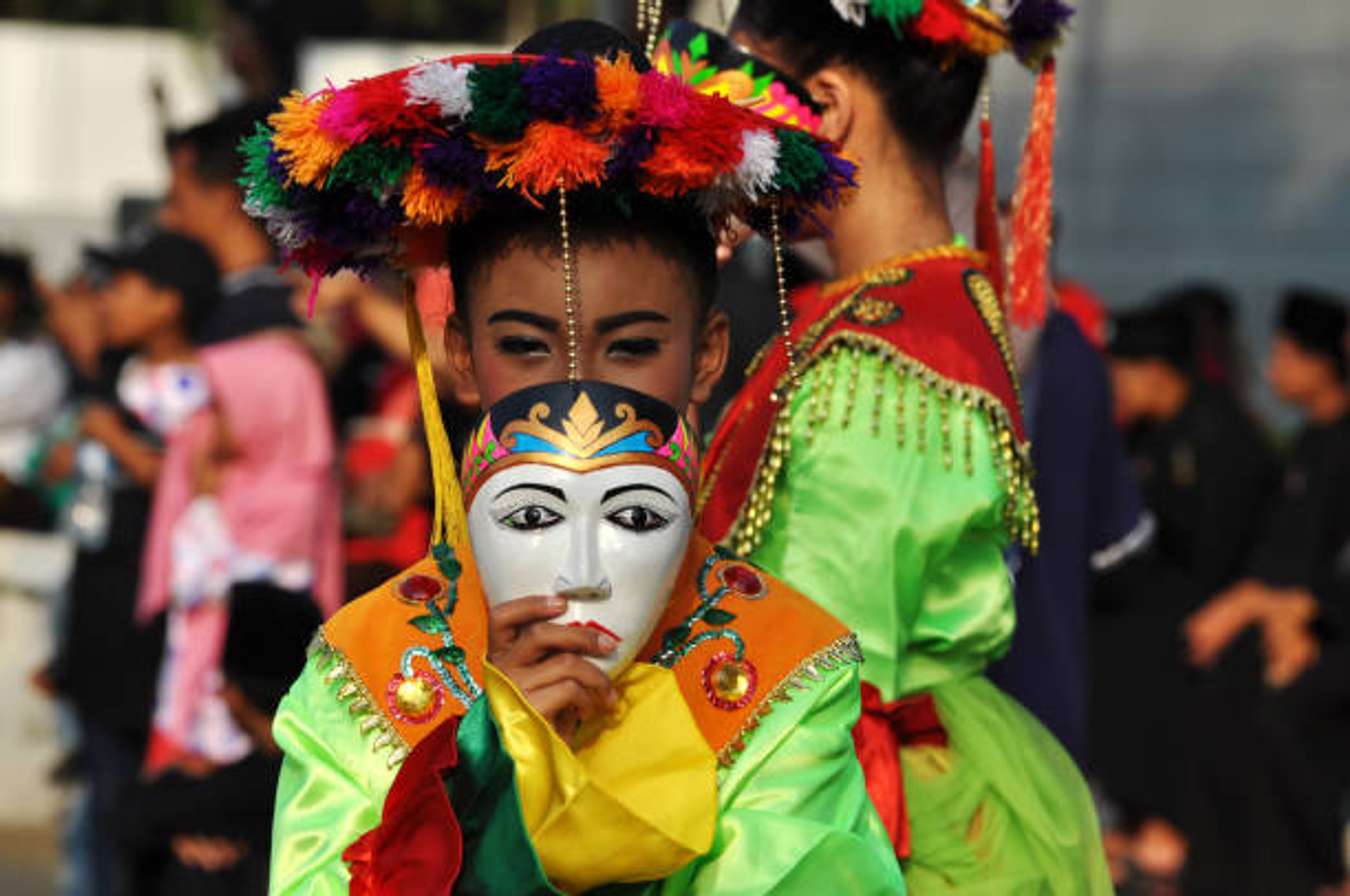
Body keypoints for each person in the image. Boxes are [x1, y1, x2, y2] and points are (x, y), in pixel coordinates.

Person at [249, 22, 902, 893]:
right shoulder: (369, 670)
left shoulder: (782, 671)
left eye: (631, 349)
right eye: (525, 348)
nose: (580, 403)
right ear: (463, 357)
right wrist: (479, 761)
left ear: (707, 355)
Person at [672, 3, 1108, 891]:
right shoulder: (918, 307)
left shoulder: (882, 352)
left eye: (738, 92)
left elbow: (823, 672)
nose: (722, 140)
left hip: (845, 821)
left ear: (826, 106)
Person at [1100, 298, 1275, 886]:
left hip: (1214, 627)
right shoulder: (1149, 437)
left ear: (1155, 370)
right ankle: (1141, 819)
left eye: (1120, 370)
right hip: (1157, 619)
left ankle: (1168, 829)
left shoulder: (1222, 438)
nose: (1112, 385)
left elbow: (1219, 558)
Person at [1183, 287, 1350, 895]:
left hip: (1324, 636)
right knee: (1222, 696)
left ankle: (1309, 876)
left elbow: (1322, 571)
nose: (1274, 368)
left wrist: (1299, 611)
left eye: (1285, 353)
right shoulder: (1308, 443)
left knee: (1283, 707)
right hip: (1284, 628)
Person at [161, 104, 303, 344]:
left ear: (223, 198)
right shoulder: (277, 296)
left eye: (177, 201)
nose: (167, 218)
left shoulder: (256, 316)